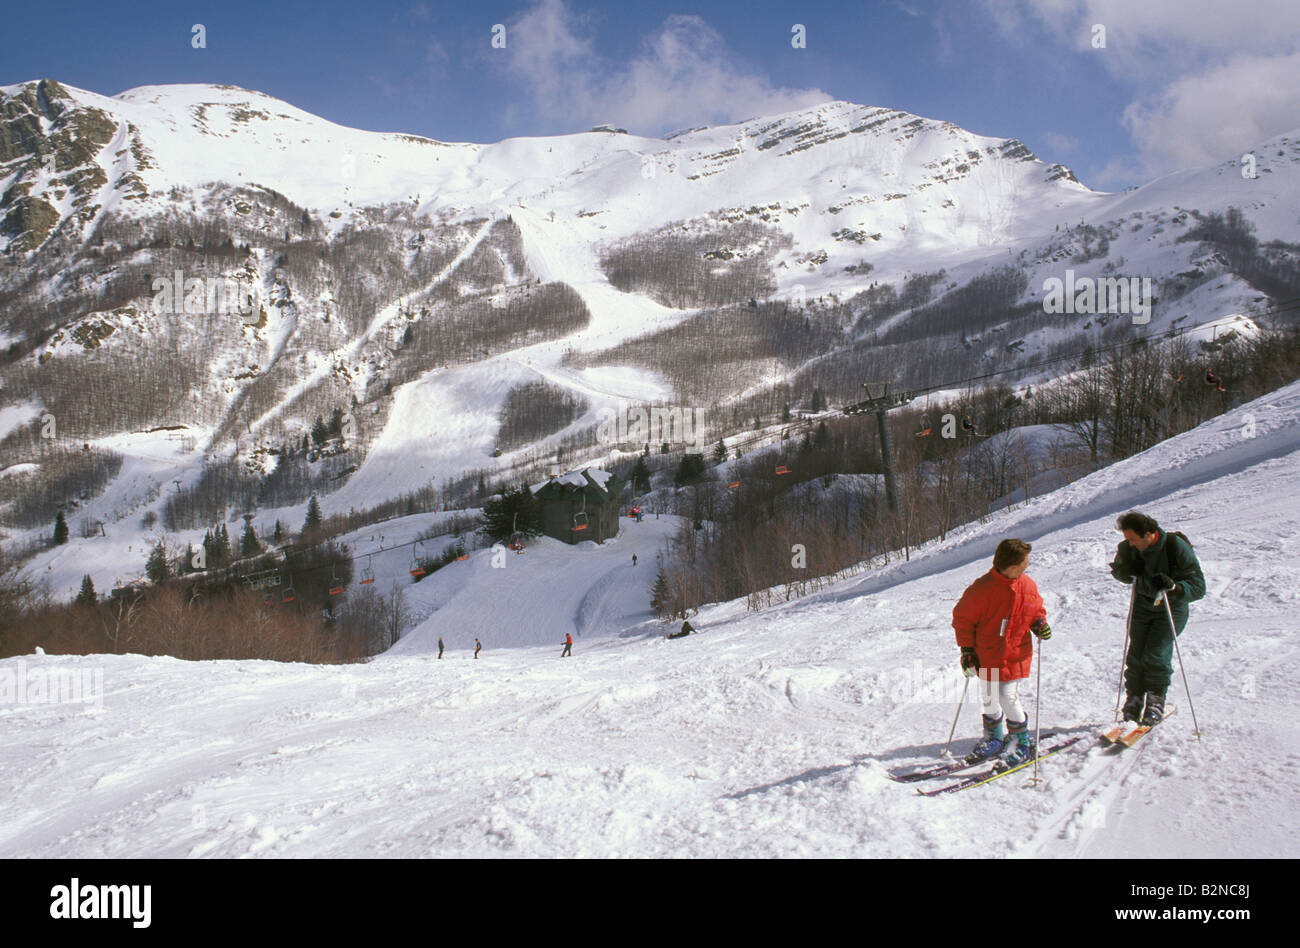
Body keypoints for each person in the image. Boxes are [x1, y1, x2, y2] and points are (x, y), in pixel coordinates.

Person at [952, 539, 1052, 765]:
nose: (1027, 567)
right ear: (1011, 565)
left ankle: (1021, 740)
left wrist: (1038, 623)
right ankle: (995, 737)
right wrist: (967, 650)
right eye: (1024, 564)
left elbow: (1035, 609)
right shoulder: (982, 589)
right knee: (989, 696)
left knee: (1007, 695)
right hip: (987, 652)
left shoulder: (1027, 585)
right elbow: (962, 620)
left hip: (1016, 652)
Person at [1109, 511, 1205, 726]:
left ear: (1149, 534)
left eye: (1133, 539)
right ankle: (1134, 699)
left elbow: (1199, 587)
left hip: (1171, 607)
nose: (1130, 544)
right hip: (1143, 606)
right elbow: (1120, 571)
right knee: (1136, 654)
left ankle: (1155, 700)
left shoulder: (1174, 546)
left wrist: (1174, 586)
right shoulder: (1128, 548)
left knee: (1155, 654)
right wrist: (1126, 570)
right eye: (1127, 539)